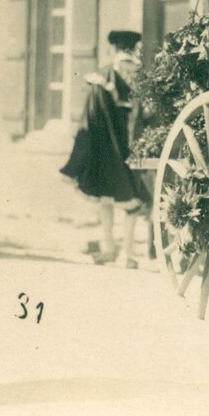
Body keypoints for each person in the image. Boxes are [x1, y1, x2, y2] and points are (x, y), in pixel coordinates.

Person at [60, 30, 151, 267]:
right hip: (140, 147)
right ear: (133, 50)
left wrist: (80, 158)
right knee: (132, 201)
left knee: (106, 200)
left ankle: (110, 247)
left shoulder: (104, 76)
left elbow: (91, 119)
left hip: (109, 150)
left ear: (114, 50)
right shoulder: (144, 77)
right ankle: (128, 254)